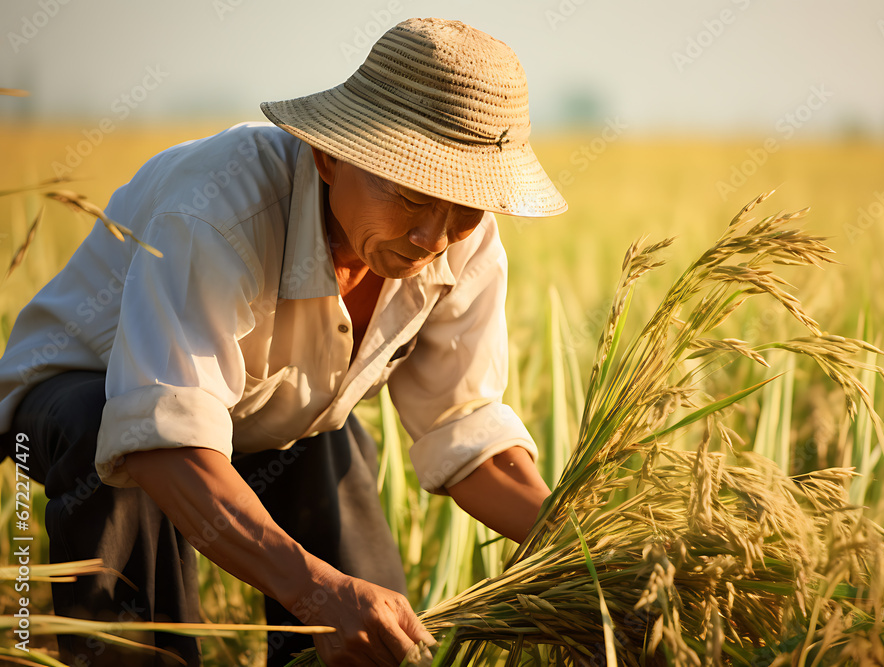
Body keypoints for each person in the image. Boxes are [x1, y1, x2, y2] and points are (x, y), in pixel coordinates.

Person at [0, 17, 567, 667]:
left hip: (260, 419)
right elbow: (161, 434)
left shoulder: (464, 241)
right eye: (412, 197)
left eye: (464, 210)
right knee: (108, 429)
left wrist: (591, 550)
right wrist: (318, 593)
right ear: (331, 155)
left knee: (338, 459)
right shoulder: (221, 209)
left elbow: (466, 431)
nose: (433, 238)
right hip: (86, 406)